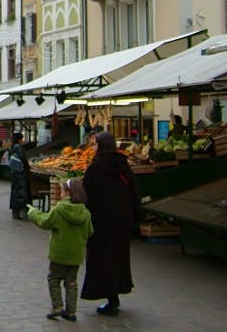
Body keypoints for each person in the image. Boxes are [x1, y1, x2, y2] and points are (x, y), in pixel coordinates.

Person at [80, 131, 141, 317]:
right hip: (122, 222)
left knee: (101, 259)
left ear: (102, 146)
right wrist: (134, 218)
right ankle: (114, 296)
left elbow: (86, 197)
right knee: (118, 258)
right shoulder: (124, 166)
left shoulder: (94, 169)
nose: (93, 148)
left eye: (95, 144)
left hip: (100, 223)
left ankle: (110, 298)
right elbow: (134, 194)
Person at [28, 177, 94, 322]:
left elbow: (44, 222)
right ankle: (71, 311)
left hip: (59, 253)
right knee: (71, 282)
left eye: (63, 190)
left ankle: (57, 306)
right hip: (75, 255)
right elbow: (90, 232)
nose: (61, 193)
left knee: (54, 279)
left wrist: (33, 212)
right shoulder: (86, 213)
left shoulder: (59, 209)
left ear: (68, 192)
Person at [9, 131, 31, 220]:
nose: (23, 140)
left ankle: (15, 213)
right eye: (22, 139)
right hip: (20, 172)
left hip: (14, 172)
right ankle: (23, 213)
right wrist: (28, 166)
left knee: (15, 192)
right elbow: (23, 158)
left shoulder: (12, 147)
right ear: (19, 139)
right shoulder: (18, 147)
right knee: (22, 192)